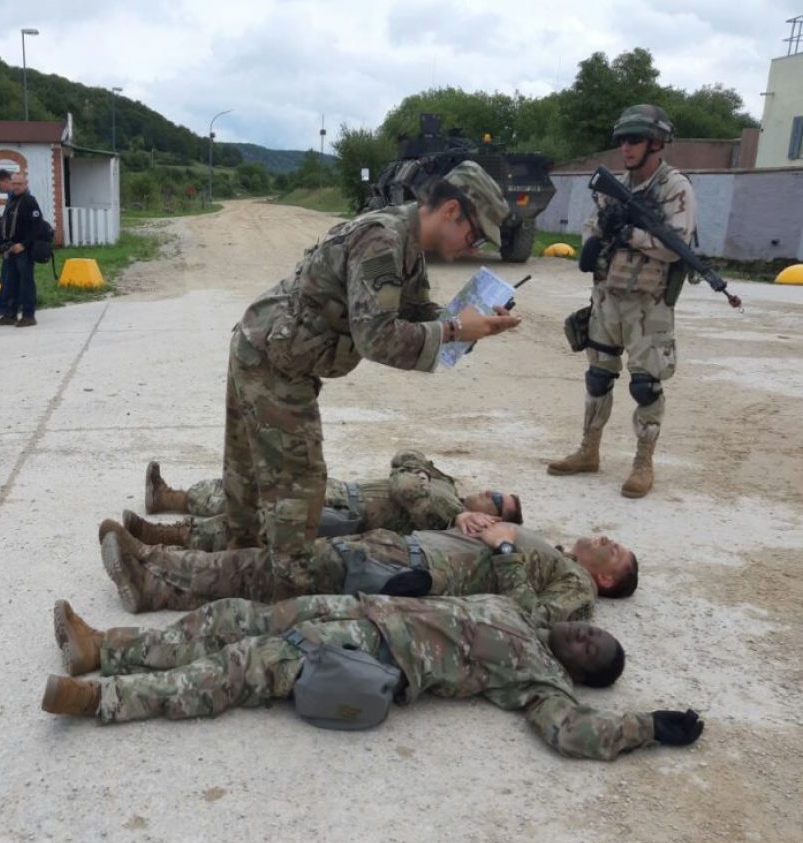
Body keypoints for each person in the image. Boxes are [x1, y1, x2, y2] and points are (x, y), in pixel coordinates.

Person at [218, 162, 519, 604]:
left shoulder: (407, 245)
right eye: (474, 236)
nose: (473, 247)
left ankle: (234, 574)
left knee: (249, 479)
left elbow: (414, 313)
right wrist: (455, 330)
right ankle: (282, 602)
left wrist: (474, 323)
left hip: (269, 348)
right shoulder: (383, 238)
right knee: (296, 489)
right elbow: (377, 338)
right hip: (272, 360)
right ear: (452, 211)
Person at [41, 594, 705, 761]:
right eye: (590, 630)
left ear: (579, 671)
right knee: (229, 617)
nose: (583, 635)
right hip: (353, 608)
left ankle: (99, 698)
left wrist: (646, 726)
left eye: (589, 649)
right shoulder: (523, 612)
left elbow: (571, 732)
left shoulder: (540, 678)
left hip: (363, 654)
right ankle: (104, 649)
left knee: (233, 670)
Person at [548, 105, 696, 498]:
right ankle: (588, 449)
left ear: (656, 143)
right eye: (622, 141)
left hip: (649, 303)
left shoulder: (675, 188)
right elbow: (591, 227)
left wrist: (629, 234)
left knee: (646, 385)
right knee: (598, 375)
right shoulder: (612, 186)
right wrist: (597, 238)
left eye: (634, 140)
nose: (625, 148)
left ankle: (643, 463)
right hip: (608, 296)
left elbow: (675, 245)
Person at [99, 516, 637, 624]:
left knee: (278, 569)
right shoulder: (556, 555)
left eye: (614, 552)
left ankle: (154, 570)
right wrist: (467, 520)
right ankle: (160, 581)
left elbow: (530, 617)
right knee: (280, 569)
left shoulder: (577, 587)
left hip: (412, 570)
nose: (608, 540)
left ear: (606, 580)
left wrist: (502, 548)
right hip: (405, 548)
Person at [128, 448, 522, 550]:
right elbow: (405, 456)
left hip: (343, 514)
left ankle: (168, 534)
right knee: (256, 490)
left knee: (260, 519)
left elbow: (403, 485)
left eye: (496, 500)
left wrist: (418, 477)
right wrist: (420, 473)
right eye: (496, 489)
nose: (489, 492)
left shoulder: (450, 515)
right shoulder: (445, 487)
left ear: (493, 519)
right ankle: (169, 499)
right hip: (341, 492)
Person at [0, 169, 42, 328]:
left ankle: (28, 315)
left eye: (19, 184)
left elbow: (37, 227)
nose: (16, 186)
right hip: (11, 249)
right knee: (10, 282)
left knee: (26, 283)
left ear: (25, 184)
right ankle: (10, 314)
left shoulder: (29, 201)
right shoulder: (12, 200)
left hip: (23, 250)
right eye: (13, 183)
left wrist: (24, 244)